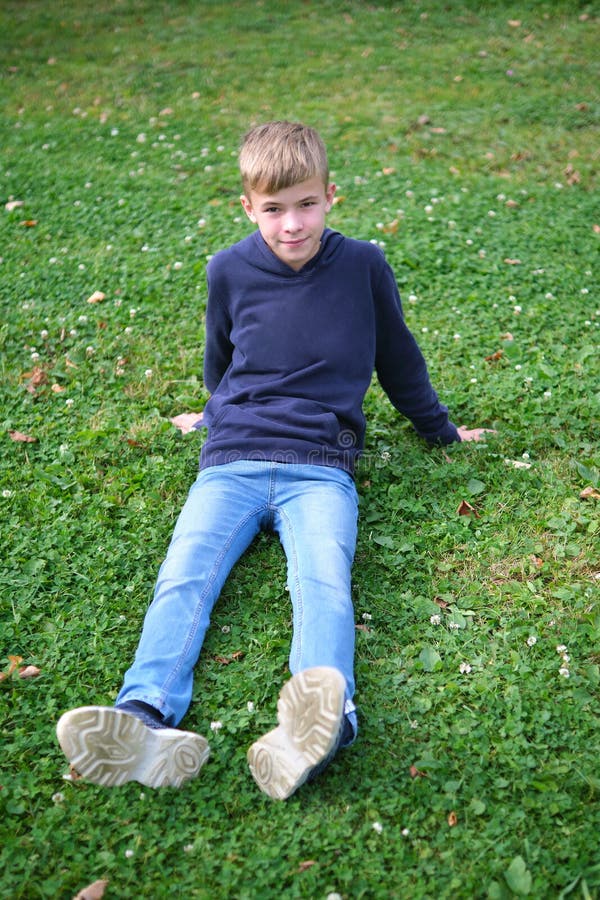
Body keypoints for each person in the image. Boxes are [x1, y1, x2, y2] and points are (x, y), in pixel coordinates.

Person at [56, 121, 491, 800]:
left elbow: (399, 359)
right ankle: (144, 714)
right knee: (184, 575)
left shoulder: (362, 266)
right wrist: (210, 412)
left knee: (321, 582)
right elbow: (223, 358)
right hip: (230, 458)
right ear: (247, 207)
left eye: (306, 205)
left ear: (330, 195)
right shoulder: (227, 269)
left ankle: (324, 722)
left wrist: (441, 432)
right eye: (273, 209)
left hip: (321, 465)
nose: (292, 224)